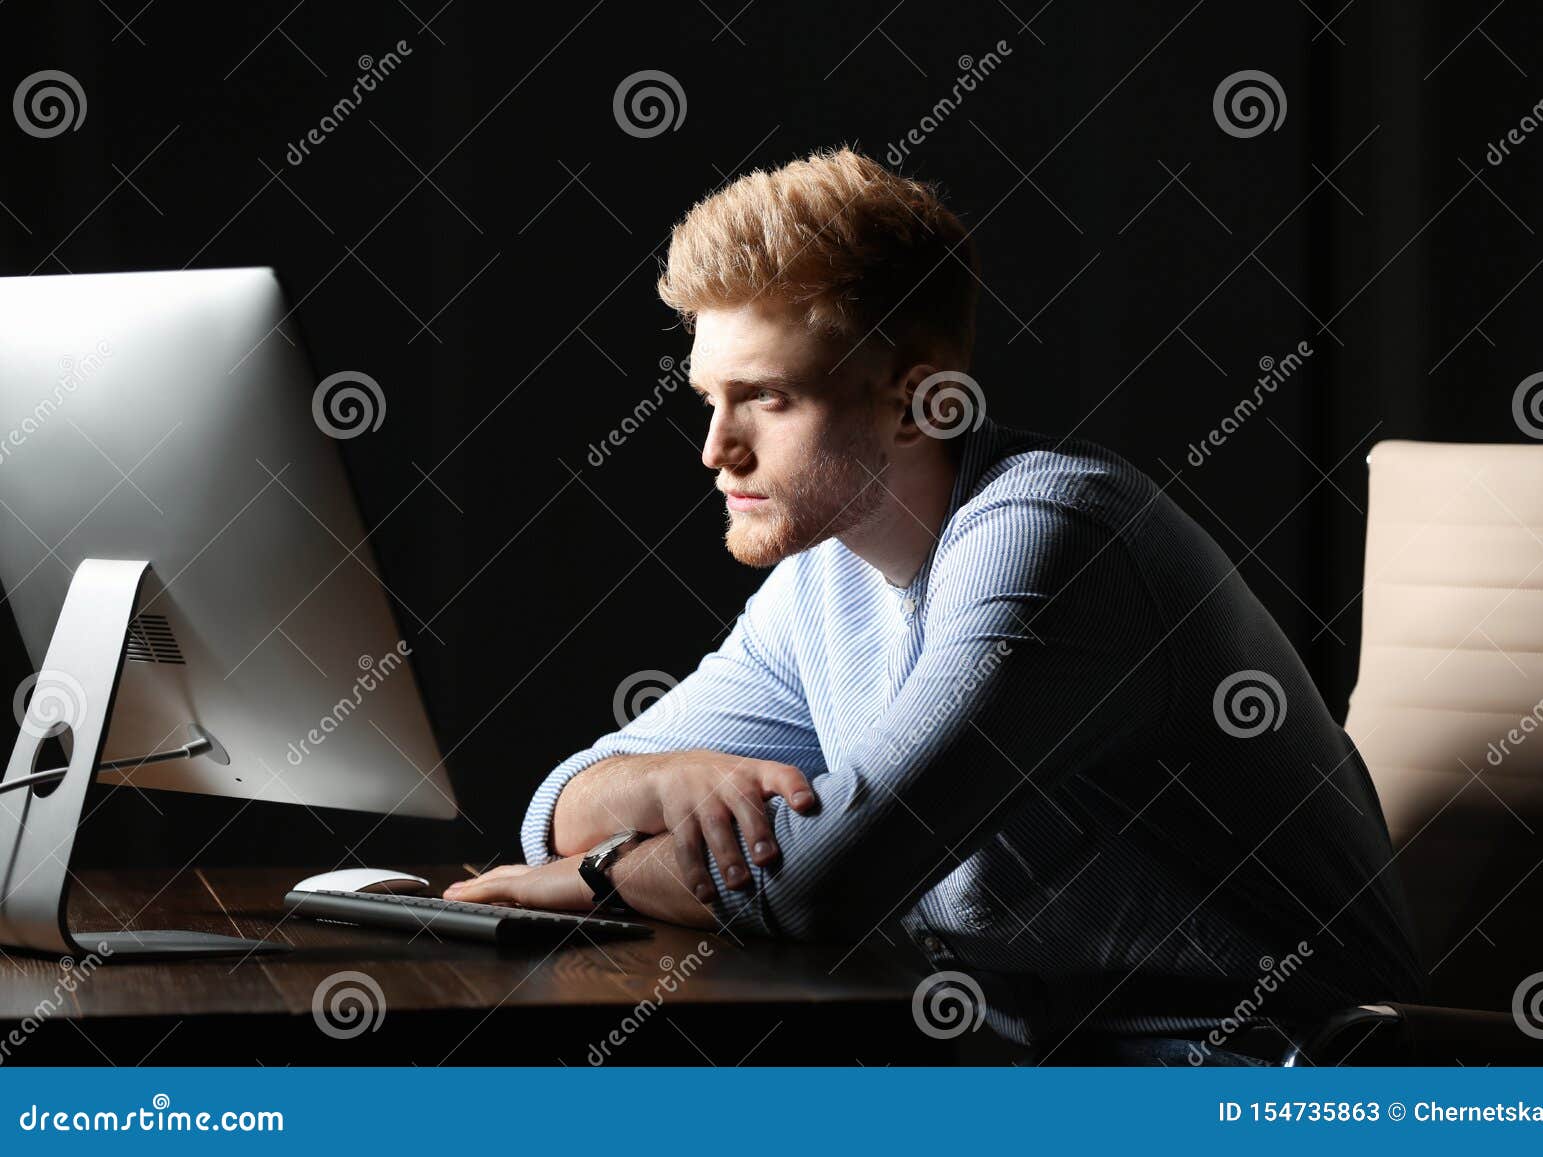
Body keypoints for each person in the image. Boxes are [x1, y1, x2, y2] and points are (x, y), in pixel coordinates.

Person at [444, 146, 1424, 1060]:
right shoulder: (822, 578)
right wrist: (664, 785)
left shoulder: (1057, 537)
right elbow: (556, 808)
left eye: (769, 398)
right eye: (708, 397)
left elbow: (818, 881)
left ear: (918, 402)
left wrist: (599, 875)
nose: (716, 448)